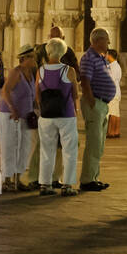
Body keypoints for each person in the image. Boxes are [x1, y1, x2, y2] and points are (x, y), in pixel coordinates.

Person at [36, 37, 80, 196]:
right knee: (69, 150)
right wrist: (75, 109)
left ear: (48, 51)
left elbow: (37, 95)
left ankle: (45, 184)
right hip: (66, 114)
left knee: (46, 150)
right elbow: (75, 93)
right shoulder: (68, 70)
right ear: (63, 52)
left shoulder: (40, 70)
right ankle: (67, 185)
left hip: (46, 115)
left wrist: (44, 108)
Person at [0, 44, 38, 192]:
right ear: (24, 58)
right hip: (8, 113)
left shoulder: (31, 73)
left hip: (25, 115)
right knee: (9, 145)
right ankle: (7, 180)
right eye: (31, 56)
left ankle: (18, 179)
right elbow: (5, 91)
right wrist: (13, 108)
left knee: (24, 146)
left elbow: (33, 96)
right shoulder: (16, 72)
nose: (34, 59)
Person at [77, 27, 115, 192]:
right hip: (95, 104)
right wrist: (91, 101)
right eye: (106, 40)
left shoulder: (101, 57)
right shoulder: (88, 58)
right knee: (93, 143)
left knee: (99, 144)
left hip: (102, 104)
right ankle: (87, 180)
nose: (108, 43)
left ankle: (94, 177)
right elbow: (85, 80)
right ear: (98, 41)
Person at [105, 47, 123, 138]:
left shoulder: (113, 66)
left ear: (110, 55)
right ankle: (115, 131)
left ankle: (112, 132)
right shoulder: (114, 65)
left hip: (112, 92)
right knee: (115, 113)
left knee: (112, 113)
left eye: (106, 54)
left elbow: (110, 79)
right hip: (115, 91)